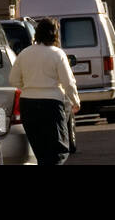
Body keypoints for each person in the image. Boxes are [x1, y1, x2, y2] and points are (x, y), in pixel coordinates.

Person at [8, 17, 80, 165]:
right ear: (55, 34)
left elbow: (13, 79)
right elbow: (68, 82)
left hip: (28, 104)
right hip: (52, 104)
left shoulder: (24, 53)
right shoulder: (57, 54)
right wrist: (75, 101)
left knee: (40, 151)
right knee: (58, 151)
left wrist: (28, 87)